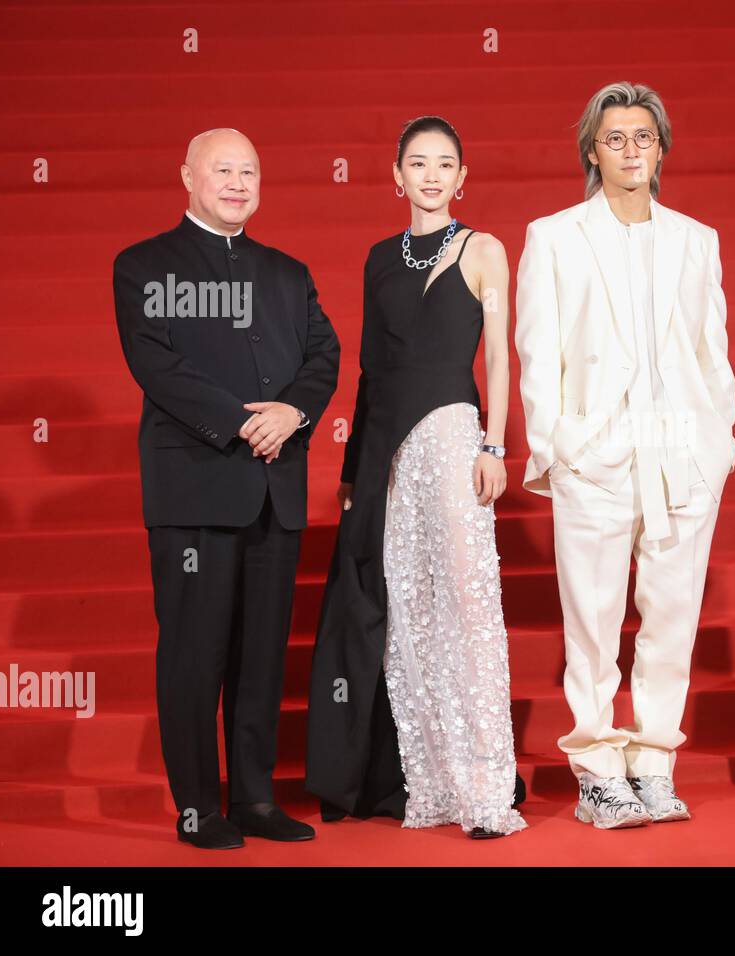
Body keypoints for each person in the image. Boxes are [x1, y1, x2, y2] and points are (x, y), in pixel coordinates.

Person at [514, 81, 735, 829]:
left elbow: (714, 355)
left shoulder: (696, 239)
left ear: (662, 148)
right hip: (596, 454)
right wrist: (559, 446)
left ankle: (653, 761)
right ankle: (597, 767)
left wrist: (718, 447)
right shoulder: (554, 235)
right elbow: (536, 352)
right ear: (592, 150)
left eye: (643, 136)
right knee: (593, 620)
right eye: (616, 138)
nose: (631, 149)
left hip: (681, 454)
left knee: (672, 618)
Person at [112, 128, 340, 849]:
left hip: (275, 489)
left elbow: (324, 353)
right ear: (188, 175)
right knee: (194, 652)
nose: (237, 182)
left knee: (261, 654)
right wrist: (243, 424)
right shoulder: (145, 264)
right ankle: (197, 810)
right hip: (196, 489)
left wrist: (293, 413)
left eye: (249, 171)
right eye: (222, 170)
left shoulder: (287, 271)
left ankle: (254, 799)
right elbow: (158, 367)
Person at [305, 115, 526, 839]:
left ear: (463, 178)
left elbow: (498, 357)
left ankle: (488, 786)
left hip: (455, 437)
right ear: (394, 175)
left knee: (469, 606)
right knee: (409, 618)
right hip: (388, 457)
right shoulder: (376, 260)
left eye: (445, 164)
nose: (431, 176)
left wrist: (494, 445)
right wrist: (351, 467)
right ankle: (431, 782)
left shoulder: (485, 249)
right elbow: (370, 371)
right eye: (418, 163)